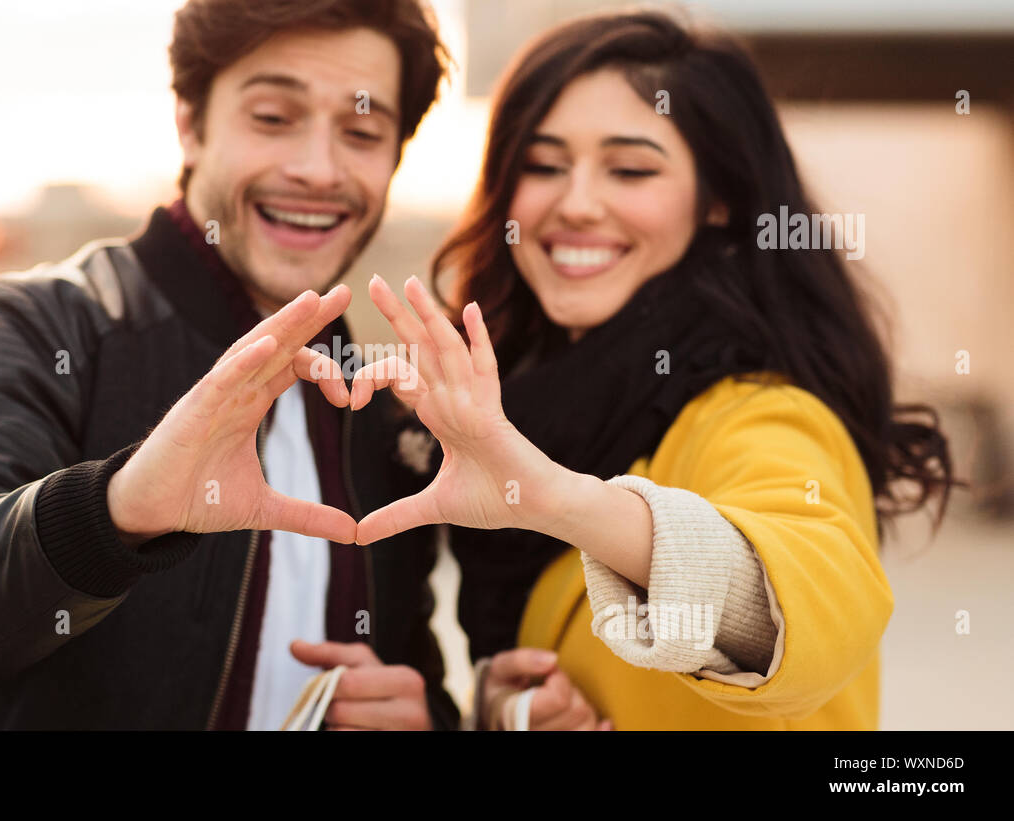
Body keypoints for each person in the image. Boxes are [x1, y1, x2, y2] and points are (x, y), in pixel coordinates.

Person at [0, 0, 460, 730]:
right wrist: (116, 511)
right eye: (272, 117)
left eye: (361, 131)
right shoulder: (36, 323)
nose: (317, 169)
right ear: (189, 123)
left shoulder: (380, 409)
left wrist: (428, 721)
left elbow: (416, 663)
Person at [347, 9, 960, 730]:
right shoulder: (541, 399)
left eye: (631, 168)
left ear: (720, 200)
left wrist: (554, 497)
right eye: (542, 165)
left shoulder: (762, 412)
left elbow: (810, 600)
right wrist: (498, 712)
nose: (575, 204)